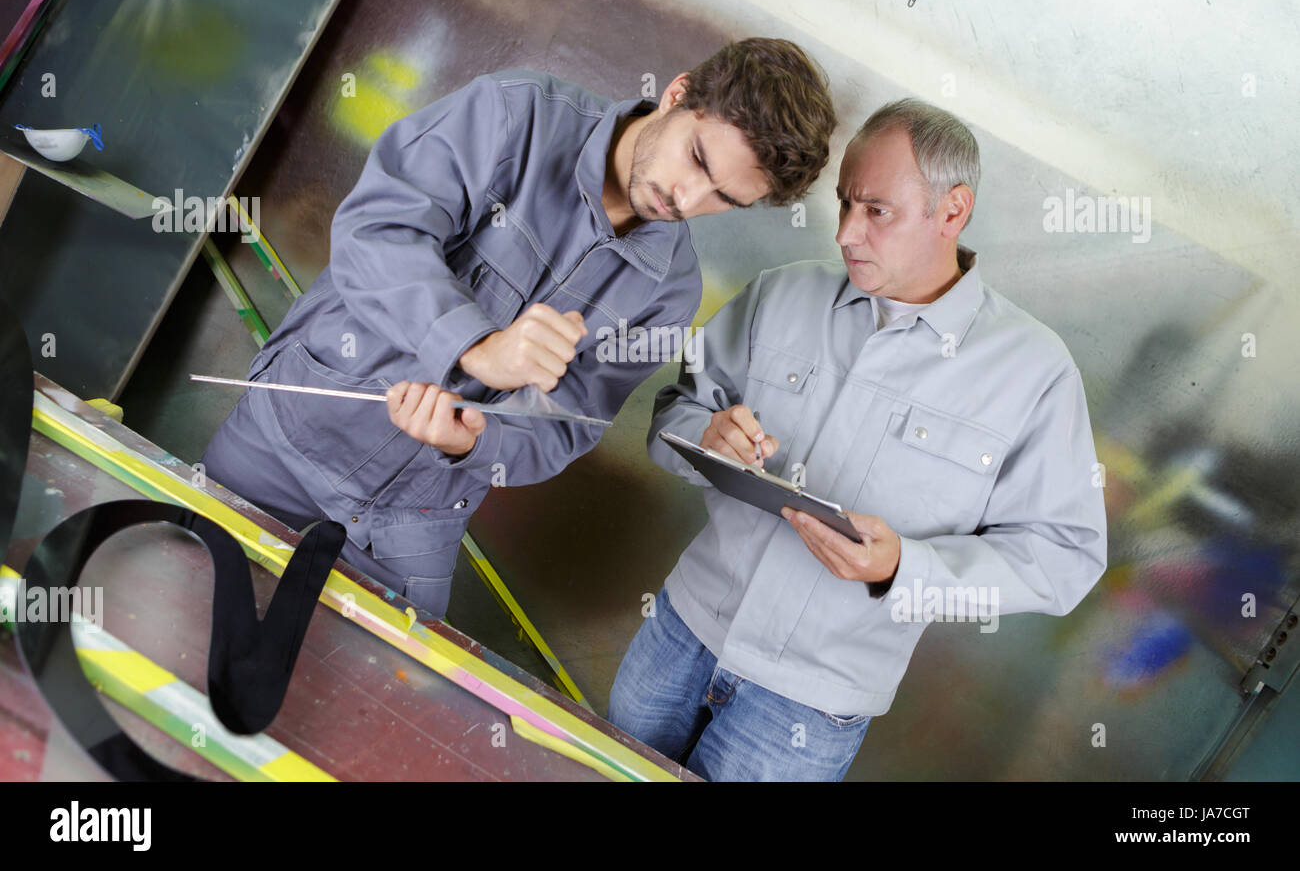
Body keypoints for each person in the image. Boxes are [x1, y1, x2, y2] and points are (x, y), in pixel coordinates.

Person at [200, 39, 837, 618]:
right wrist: (475, 348)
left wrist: (472, 441)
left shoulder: (671, 289)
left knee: (355, 708)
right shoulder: (515, 116)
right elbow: (377, 232)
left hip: (413, 527)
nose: (688, 199)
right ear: (677, 94)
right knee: (178, 608)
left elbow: (571, 426)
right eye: (696, 159)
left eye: (725, 198)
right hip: (290, 440)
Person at [610, 98, 1108, 781]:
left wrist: (908, 570)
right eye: (844, 203)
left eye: (877, 211)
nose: (845, 233)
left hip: (806, 709)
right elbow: (674, 415)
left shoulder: (1033, 372)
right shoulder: (781, 294)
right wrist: (709, 436)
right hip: (678, 633)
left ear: (952, 211)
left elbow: (1064, 558)